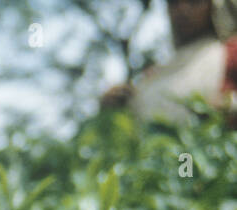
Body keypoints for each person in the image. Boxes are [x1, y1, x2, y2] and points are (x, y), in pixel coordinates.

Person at [100, 0, 237, 123]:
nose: (182, 9)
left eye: (193, 2)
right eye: (173, 2)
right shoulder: (154, 75)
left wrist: (230, 105)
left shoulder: (230, 53)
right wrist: (113, 109)